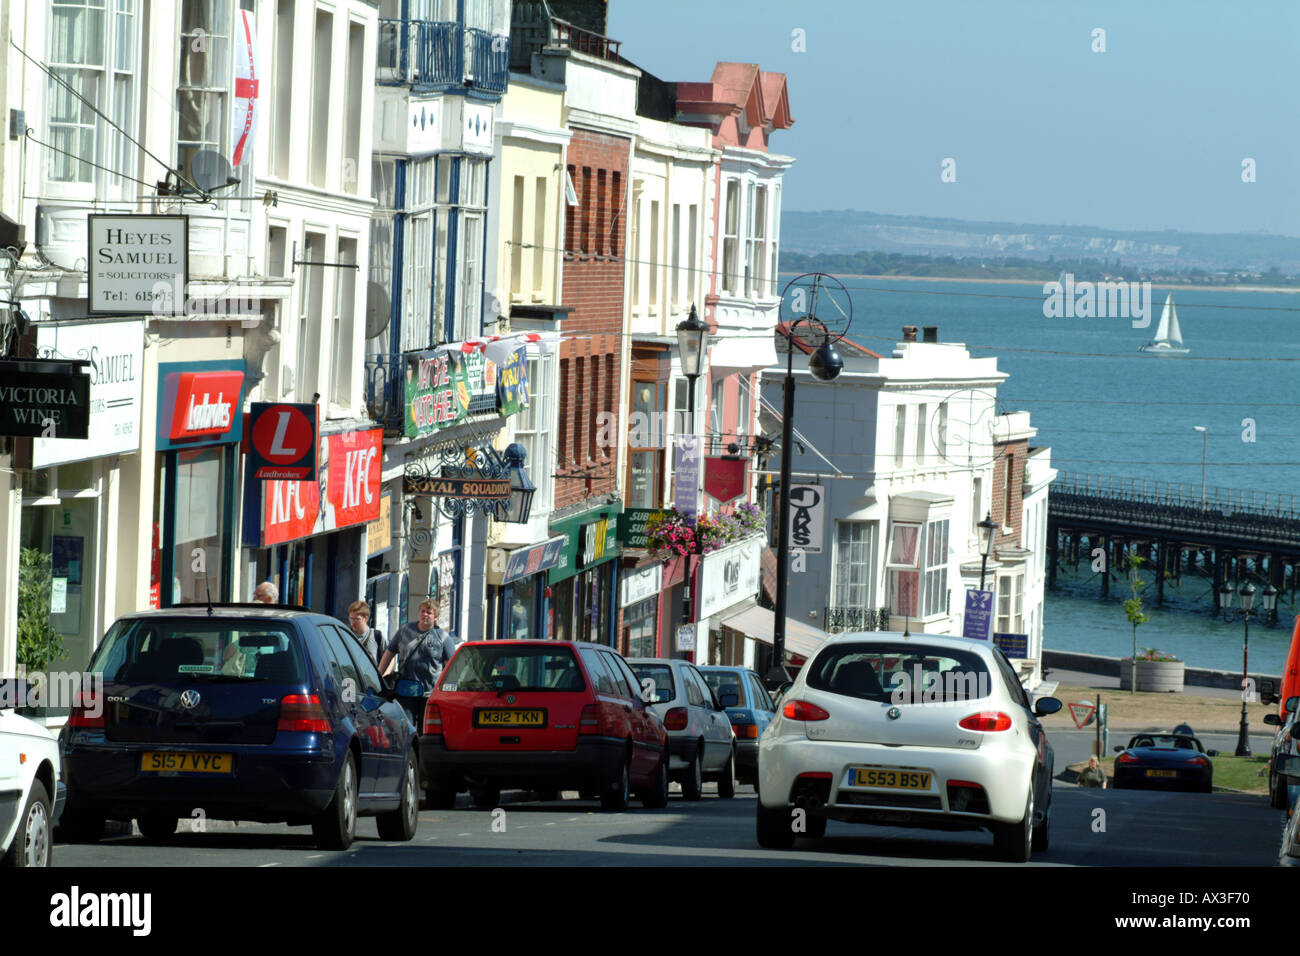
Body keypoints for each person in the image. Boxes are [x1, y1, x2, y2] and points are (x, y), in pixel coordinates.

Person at [378, 599, 455, 692]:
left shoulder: (443, 637)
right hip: (405, 690)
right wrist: (378, 676)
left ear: (436, 617)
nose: (425, 614)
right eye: (422, 611)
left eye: (429, 612)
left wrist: (447, 691)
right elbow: (389, 653)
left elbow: (450, 667)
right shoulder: (405, 630)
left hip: (430, 693)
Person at [346, 600, 383, 668]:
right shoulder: (346, 635)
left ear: (366, 618)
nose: (353, 622)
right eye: (351, 618)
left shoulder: (377, 636)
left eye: (357, 619)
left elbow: (389, 656)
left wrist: (383, 675)